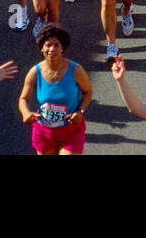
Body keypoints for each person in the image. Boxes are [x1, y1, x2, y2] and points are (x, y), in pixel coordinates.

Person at [17, 24, 94, 155]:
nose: (52, 49)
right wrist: (25, 112)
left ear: (62, 48)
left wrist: (80, 112)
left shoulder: (76, 70)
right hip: (44, 130)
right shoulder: (35, 72)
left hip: (71, 129)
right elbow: (24, 98)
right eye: (48, 45)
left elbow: (88, 92)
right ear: (41, 48)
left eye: (56, 45)